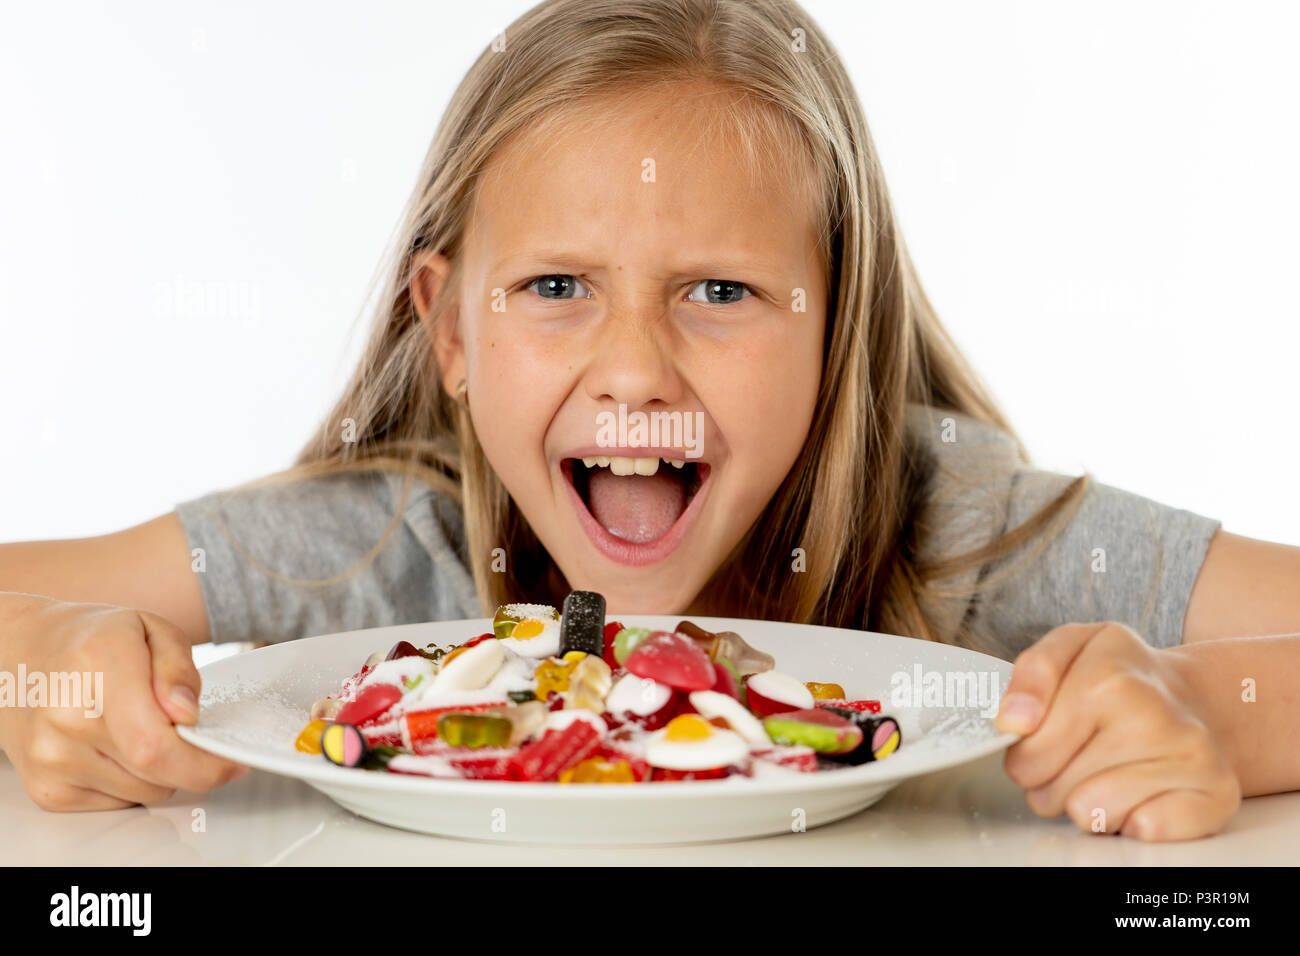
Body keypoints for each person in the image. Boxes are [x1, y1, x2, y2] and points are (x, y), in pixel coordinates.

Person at [3, 0, 1294, 841]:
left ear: (839, 335)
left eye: (720, 292)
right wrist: (40, 674)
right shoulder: (385, 545)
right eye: (557, 288)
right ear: (450, 333)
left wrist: (1213, 713)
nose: (634, 373)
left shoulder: (960, 531)